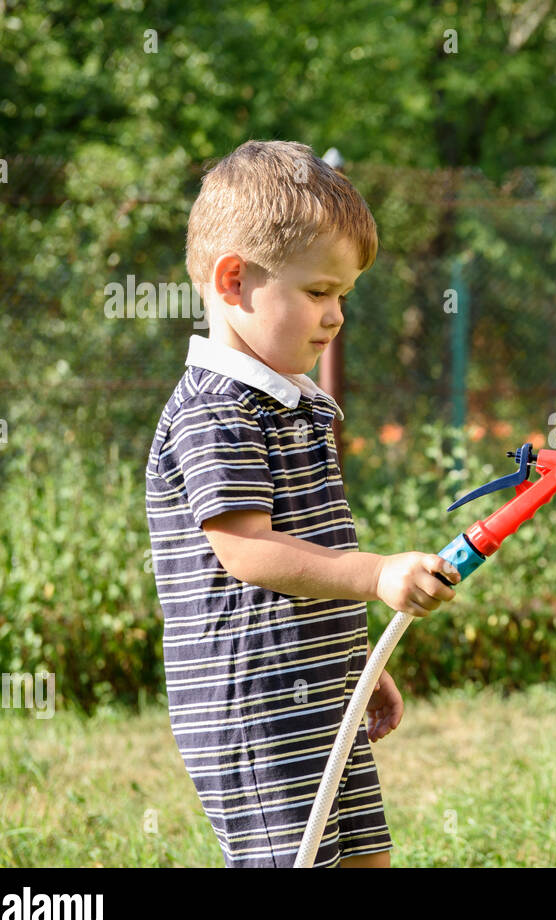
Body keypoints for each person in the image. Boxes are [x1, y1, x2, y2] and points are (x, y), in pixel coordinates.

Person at [145, 140, 459, 867]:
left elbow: (309, 558)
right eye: (319, 292)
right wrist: (379, 575)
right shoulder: (216, 410)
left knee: (365, 858)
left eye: (343, 295)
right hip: (257, 708)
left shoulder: (288, 403)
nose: (337, 315)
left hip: (315, 691)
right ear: (234, 280)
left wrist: (355, 659)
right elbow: (249, 550)